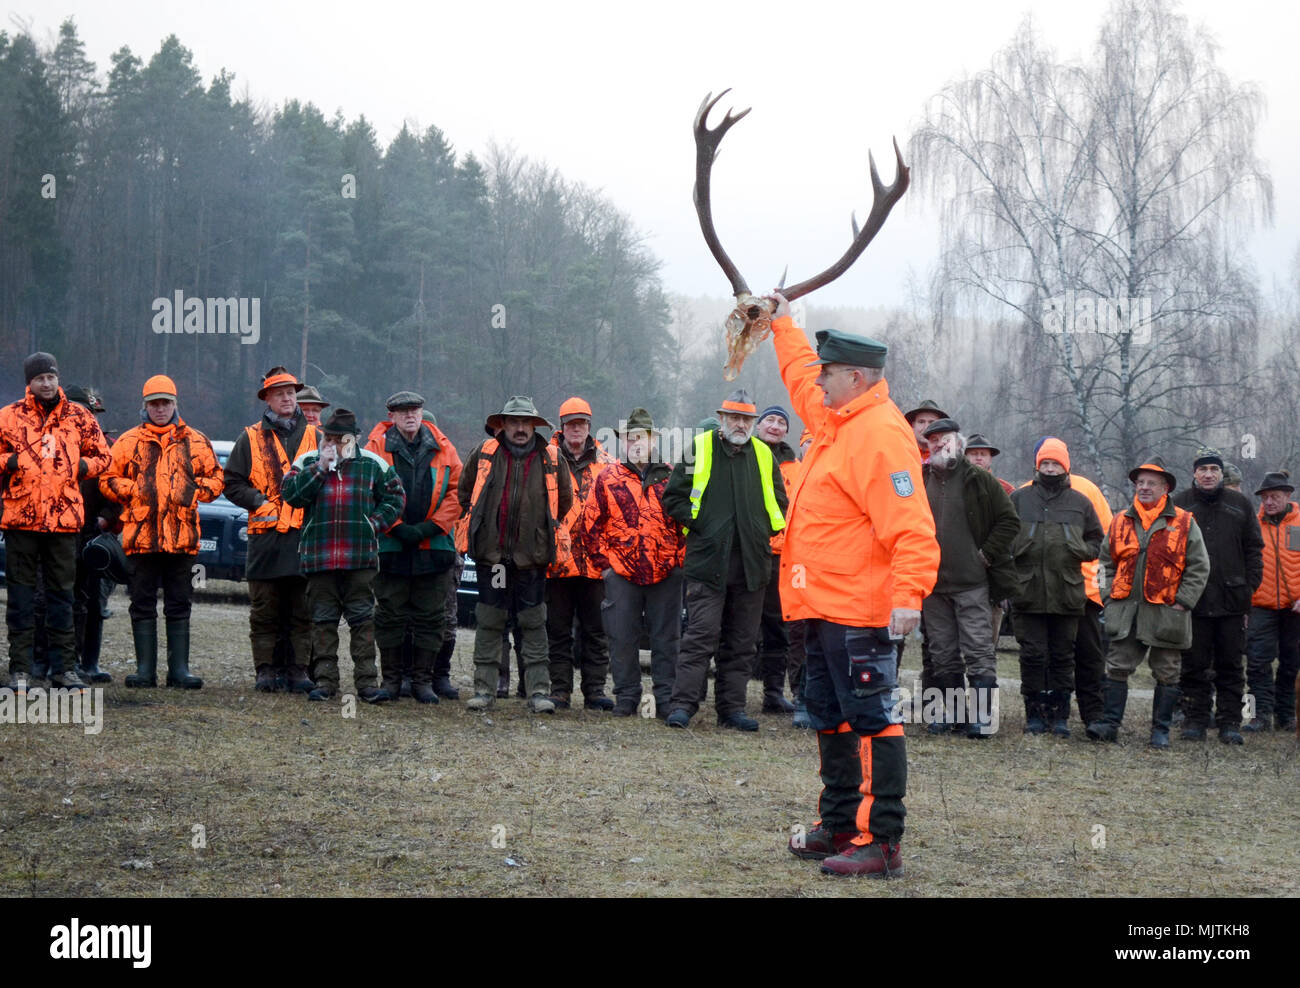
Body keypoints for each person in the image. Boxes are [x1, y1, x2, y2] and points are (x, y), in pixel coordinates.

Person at [771, 301, 940, 878]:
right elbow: (797, 376)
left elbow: (912, 524)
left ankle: (881, 841)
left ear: (856, 378)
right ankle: (839, 826)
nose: (817, 380)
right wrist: (780, 323)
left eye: (828, 372)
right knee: (829, 714)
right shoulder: (835, 419)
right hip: (820, 608)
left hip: (863, 612)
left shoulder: (880, 434)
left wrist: (908, 597)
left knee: (872, 719)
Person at [662, 389, 788, 732]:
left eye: (747, 419)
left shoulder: (763, 454)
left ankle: (731, 710)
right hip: (707, 563)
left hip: (752, 564)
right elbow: (672, 498)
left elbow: (779, 502)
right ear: (721, 419)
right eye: (734, 418)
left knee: (742, 642)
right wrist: (702, 524)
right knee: (700, 637)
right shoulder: (699, 447)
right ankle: (683, 706)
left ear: (753, 423)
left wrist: (762, 529)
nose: (740, 424)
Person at [98, 375, 223, 688]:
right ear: (145, 406)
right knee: (141, 602)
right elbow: (106, 479)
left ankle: (179, 671)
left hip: (182, 540)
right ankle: (145, 671)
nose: (160, 408)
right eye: (154, 403)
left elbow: (217, 479)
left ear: (175, 404)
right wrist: (135, 489)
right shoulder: (127, 442)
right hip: (141, 538)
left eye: (166, 402)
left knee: (179, 602)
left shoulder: (196, 440)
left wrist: (194, 492)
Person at [0, 352, 112, 689]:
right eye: (40, 379)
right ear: (29, 382)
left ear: (57, 378)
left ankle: (64, 669)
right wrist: (11, 461)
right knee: (20, 598)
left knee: (62, 597)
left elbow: (104, 455)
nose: (46, 384)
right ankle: (20, 669)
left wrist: (81, 468)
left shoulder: (79, 416)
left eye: (51, 377)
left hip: (64, 521)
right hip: (21, 519)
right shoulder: (8, 417)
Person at [456, 396, 573, 712]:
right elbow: (465, 493)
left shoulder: (552, 458)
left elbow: (564, 501)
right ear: (503, 424)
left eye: (525, 422)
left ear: (534, 425)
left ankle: (538, 693)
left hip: (532, 559)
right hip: (493, 559)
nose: (520, 428)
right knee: (490, 621)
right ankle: (484, 691)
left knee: (534, 624)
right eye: (514, 421)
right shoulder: (484, 454)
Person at [282, 408, 405, 702]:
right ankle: (325, 682)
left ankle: (367, 684)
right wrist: (321, 468)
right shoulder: (308, 462)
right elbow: (291, 495)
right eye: (332, 438)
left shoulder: (373, 464)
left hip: (360, 558)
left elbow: (396, 498)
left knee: (363, 621)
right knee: (322, 621)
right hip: (319, 558)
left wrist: (372, 524)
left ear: (356, 438)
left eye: (343, 439)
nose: (337, 444)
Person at [1087, 456, 1209, 748]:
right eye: (1140, 482)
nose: (1143, 488)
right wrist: (1106, 596)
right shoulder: (1119, 521)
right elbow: (1103, 564)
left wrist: (1184, 601)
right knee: (1116, 666)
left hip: (1167, 610)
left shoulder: (1183, 521)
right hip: (1125, 610)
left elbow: (1199, 566)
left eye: (1151, 483)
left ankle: (1160, 731)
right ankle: (1110, 725)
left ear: (1165, 487)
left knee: (1167, 670)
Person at [582, 407, 685, 717]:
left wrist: (678, 562)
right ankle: (626, 697)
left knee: (667, 639)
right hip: (622, 575)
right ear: (622, 442)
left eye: (642, 437)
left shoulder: (671, 476)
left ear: (653, 440)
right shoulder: (607, 477)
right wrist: (607, 567)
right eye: (630, 438)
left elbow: (686, 523)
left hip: (666, 573)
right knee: (621, 636)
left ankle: (666, 699)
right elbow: (589, 525)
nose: (636, 443)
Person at [920, 418, 1019, 737]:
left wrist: (984, 556)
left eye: (944, 438)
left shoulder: (979, 479)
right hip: (932, 586)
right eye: (932, 440)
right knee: (943, 654)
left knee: (978, 651)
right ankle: (955, 715)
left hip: (972, 584)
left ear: (959, 443)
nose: (938, 444)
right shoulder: (919, 479)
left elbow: (1009, 521)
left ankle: (982, 719)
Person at [223, 367, 318, 693]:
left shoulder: (317, 437)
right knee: (265, 611)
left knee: (301, 611)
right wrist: (259, 502)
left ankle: (298, 672)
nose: (287, 398)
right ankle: (266, 671)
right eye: (280, 393)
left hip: (304, 540)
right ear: (267, 399)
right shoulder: (249, 438)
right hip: (265, 541)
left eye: (291, 392)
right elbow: (231, 484)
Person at [364, 391, 462, 704]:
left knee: (431, 616)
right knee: (390, 614)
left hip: (434, 546)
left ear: (422, 412)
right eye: (403, 411)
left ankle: (423, 682)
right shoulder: (375, 448)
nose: (410, 416)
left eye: (415, 410)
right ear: (391, 415)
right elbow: (368, 491)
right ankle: (391, 681)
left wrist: (430, 528)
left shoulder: (444, 447)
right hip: (391, 545)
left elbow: (458, 491)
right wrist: (395, 526)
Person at [1007, 438, 1104, 736]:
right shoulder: (1020, 499)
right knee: (1033, 655)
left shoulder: (1080, 502)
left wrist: (1077, 549)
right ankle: (1034, 714)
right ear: (1038, 465)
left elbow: (1097, 541)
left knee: (1063, 656)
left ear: (1066, 466)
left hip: (1067, 592)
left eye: (1056, 464)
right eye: (1045, 463)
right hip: (1027, 592)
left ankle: (1060, 715)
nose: (1050, 469)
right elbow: (1003, 536)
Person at [1170, 448, 1262, 743]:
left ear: (1222, 474)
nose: (1208, 474)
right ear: (1194, 474)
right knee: (1193, 665)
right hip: (1191, 603)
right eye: (1203, 469)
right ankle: (1194, 720)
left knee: (1231, 666)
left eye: (1214, 469)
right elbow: (1167, 552)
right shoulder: (1179, 504)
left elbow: (1254, 550)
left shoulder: (1240, 504)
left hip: (1232, 602)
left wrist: (1249, 587)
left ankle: (1229, 723)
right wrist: (1175, 593)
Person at [546, 396, 617, 710]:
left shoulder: (608, 462)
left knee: (596, 631)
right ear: (562, 426)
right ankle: (559, 691)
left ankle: (595, 692)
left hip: (594, 563)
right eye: (571, 423)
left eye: (582, 423)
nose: (576, 428)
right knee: (557, 631)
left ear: (589, 426)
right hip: (554, 562)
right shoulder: (544, 459)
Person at [63, 386, 120, 684]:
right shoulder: (55, 442)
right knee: (54, 597)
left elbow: (119, 491)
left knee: (93, 601)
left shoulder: (109, 447)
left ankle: (89, 661)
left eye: (90, 412)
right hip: (58, 533)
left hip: (94, 536)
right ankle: (55, 660)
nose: (85, 417)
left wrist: (106, 519)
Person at [1243, 470, 1300, 733]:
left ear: (1288, 495)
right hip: (1260, 605)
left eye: (1274, 496)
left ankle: (1286, 715)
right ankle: (1259, 715)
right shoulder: (1253, 526)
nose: (1269, 502)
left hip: (1296, 606)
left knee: (1292, 663)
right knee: (1256, 662)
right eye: (1265, 497)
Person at [754, 404, 801, 713]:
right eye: (769, 419)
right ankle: (725, 694)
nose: (774, 425)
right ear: (758, 425)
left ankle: (773, 692)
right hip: (746, 551)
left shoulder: (796, 467)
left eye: (780, 422)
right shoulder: (743, 456)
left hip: (781, 557)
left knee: (777, 628)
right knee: (735, 626)